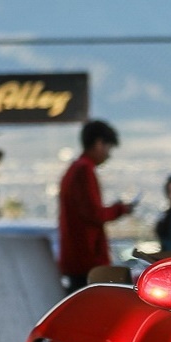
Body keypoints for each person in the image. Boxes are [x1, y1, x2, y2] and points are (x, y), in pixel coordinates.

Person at [57, 120, 131, 291]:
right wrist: (120, 209)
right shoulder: (84, 170)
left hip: (76, 259)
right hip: (87, 260)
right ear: (98, 144)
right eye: (108, 148)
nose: (108, 154)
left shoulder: (74, 169)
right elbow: (94, 214)